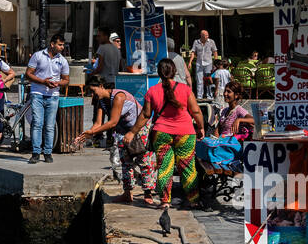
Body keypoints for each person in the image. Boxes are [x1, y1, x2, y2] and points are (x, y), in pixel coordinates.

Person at [130, 57, 205, 209]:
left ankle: (165, 201)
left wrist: (132, 132)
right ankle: (193, 200)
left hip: (161, 133)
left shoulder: (152, 91)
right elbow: (196, 111)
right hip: (185, 133)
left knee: (164, 167)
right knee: (187, 167)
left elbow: (145, 115)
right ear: (174, 72)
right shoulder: (185, 89)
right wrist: (201, 127)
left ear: (158, 73)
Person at [78, 83, 153, 204]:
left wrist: (92, 132)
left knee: (144, 161)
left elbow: (113, 122)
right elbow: (98, 123)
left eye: (93, 91)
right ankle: (127, 193)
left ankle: (148, 193)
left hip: (139, 128)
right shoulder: (101, 101)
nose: (93, 95)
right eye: (90, 93)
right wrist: (87, 134)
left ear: (101, 86)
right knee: (125, 162)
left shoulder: (119, 96)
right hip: (123, 131)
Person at [26, 32, 70, 164]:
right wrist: (42, 82)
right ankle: (35, 152)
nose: (62, 47)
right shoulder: (38, 56)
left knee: (50, 126)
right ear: (52, 44)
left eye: (63, 45)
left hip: (53, 96)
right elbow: (28, 74)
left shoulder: (62, 60)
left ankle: (48, 152)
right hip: (37, 94)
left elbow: (66, 80)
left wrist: (57, 83)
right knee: (37, 123)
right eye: (60, 45)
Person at [191, 28, 218, 99]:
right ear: (201, 36)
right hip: (199, 64)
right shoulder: (196, 42)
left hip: (208, 63)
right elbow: (193, 52)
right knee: (199, 80)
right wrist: (190, 62)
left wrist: (216, 62)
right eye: (205, 35)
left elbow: (215, 51)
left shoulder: (211, 42)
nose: (207, 36)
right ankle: (199, 97)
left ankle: (210, 96)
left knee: (208, 80)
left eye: (207, 35)